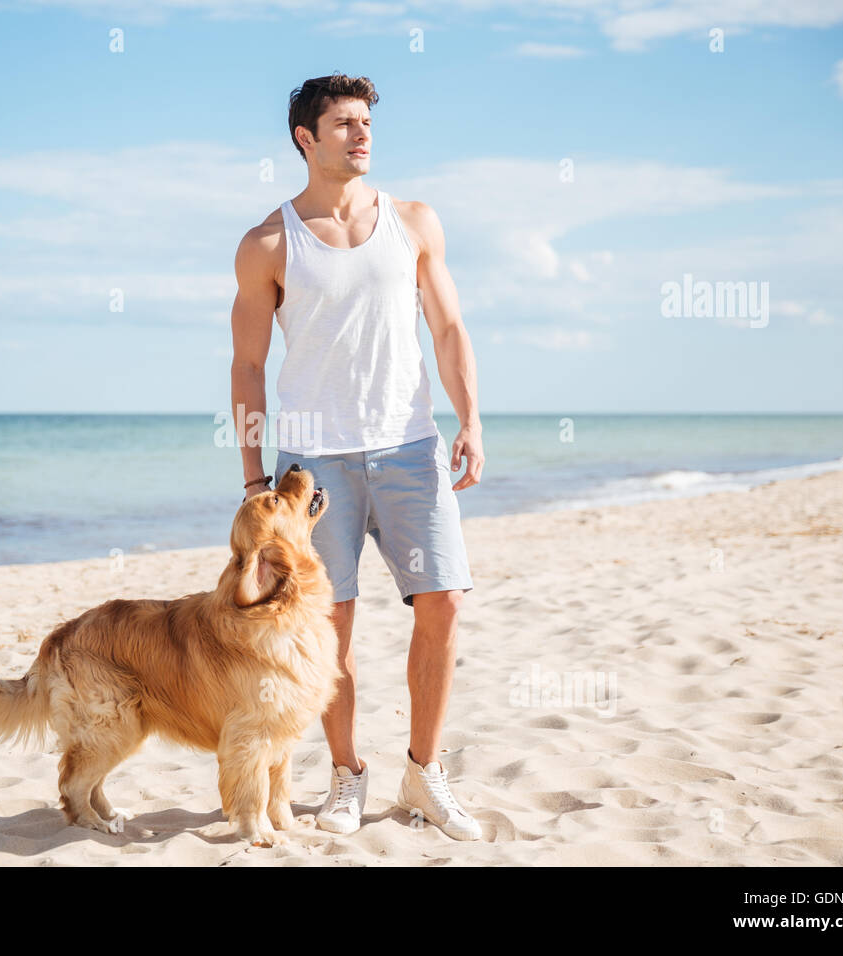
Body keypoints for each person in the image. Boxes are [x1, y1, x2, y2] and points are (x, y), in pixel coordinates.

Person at [228, 73, 485, 840]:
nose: (361, 133)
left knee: (443, 603)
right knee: (328, 628)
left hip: (410, 446)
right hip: (315, 467)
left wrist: (470, 417)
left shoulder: (413, 221)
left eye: (366, 121)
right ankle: (346, 774)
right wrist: (252, 478)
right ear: (306, 138)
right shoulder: (268, 243)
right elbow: (246, 365)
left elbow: (447, 328)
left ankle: (423, 772)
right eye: (343, 123)